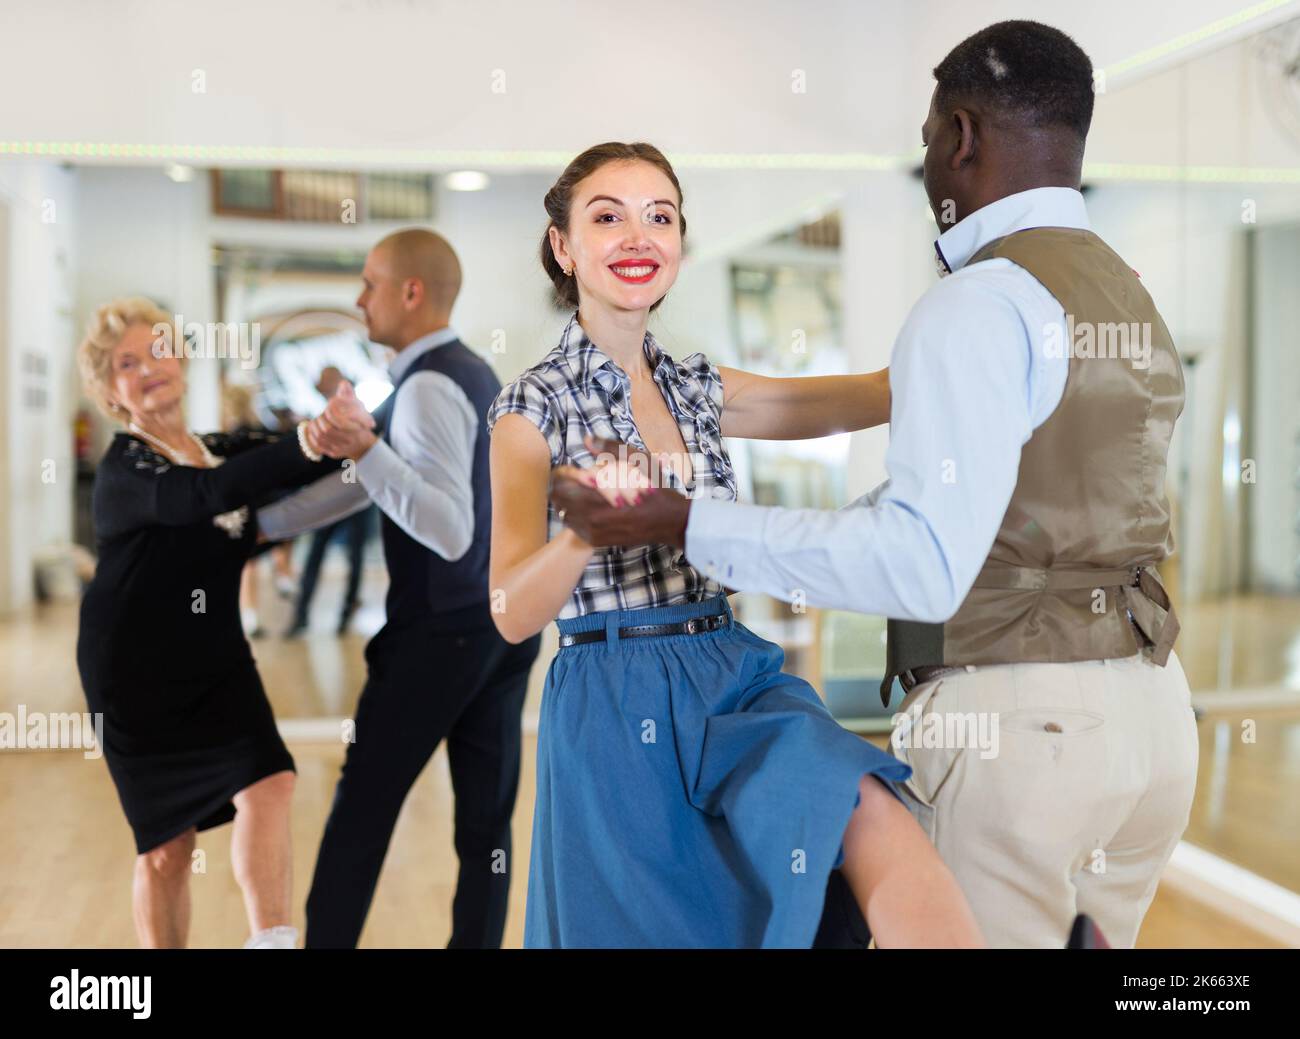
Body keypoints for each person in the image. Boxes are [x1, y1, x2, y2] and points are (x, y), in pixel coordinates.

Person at [552, 22, 1194, 949]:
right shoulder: (1128, 295)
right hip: (1153, 722)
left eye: (930, 136)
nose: (928, 159)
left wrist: (686, 520)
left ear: (962, 136)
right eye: (607, 216)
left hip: (1026, 730)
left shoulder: (978, 300)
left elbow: (921, 564)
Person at [488, 141, 988, 949]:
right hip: (613, 699)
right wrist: (586, 528)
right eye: (606, 217)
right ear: (563, 246)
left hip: (731, 672)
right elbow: (510, 612)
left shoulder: (699, 387)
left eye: (660, 216)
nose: (637, 236)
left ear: (681, 241)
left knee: (857, 799)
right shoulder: (530, 406)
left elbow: (879, 393)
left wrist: (1019, 305)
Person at [257, 229, 542, 948]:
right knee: (486, 826)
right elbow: (369, 485)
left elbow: (447, 528)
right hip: (501, 626)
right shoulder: (471, 371)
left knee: (361, 813)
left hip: (439, 635)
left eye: (369, 282)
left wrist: (365, 449)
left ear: (411, 292)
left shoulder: (427, 386)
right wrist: (261, 522)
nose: (359, 298)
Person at [75, 297, 340, 949]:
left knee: (272, 778)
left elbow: (294, 463)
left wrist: (351, 434)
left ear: (183, 357)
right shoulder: (126, 469)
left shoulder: (222, 447)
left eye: (157, 350)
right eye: (127, 364)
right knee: (168, 848)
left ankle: (273, 940)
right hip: (134, 677)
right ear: (113, 392)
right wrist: (309, 440)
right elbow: (204, 496)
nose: (148, 369)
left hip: (217, 659)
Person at [284, 367, 373, 638]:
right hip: (331, 499)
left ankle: (346, 613)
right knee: (316, 556)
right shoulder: (323, 419)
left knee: (354, 557)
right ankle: (301, 617)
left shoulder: (361, 418)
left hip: (358, 496)